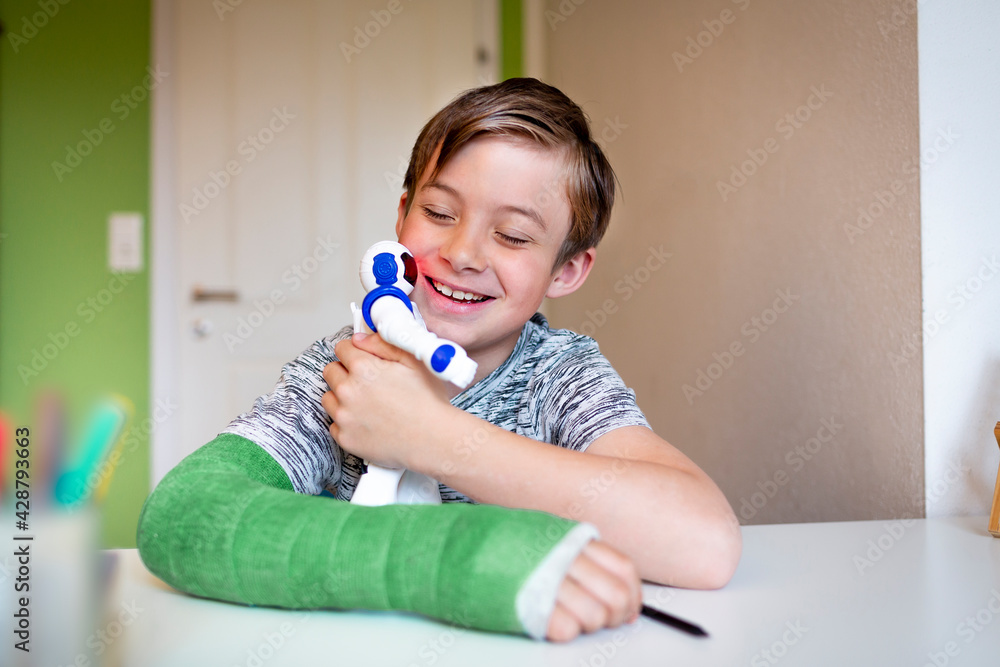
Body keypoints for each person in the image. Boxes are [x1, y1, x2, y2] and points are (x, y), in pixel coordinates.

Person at [137, 78, 741, 643]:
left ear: (566, 269)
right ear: (401, 217)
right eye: (441, 214)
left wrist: (427, 436)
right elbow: (184, 520)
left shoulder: (560, 377)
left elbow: (704, 543)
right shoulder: (344, 370)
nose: (462, 253)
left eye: (513, 236)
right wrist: (445, 561)